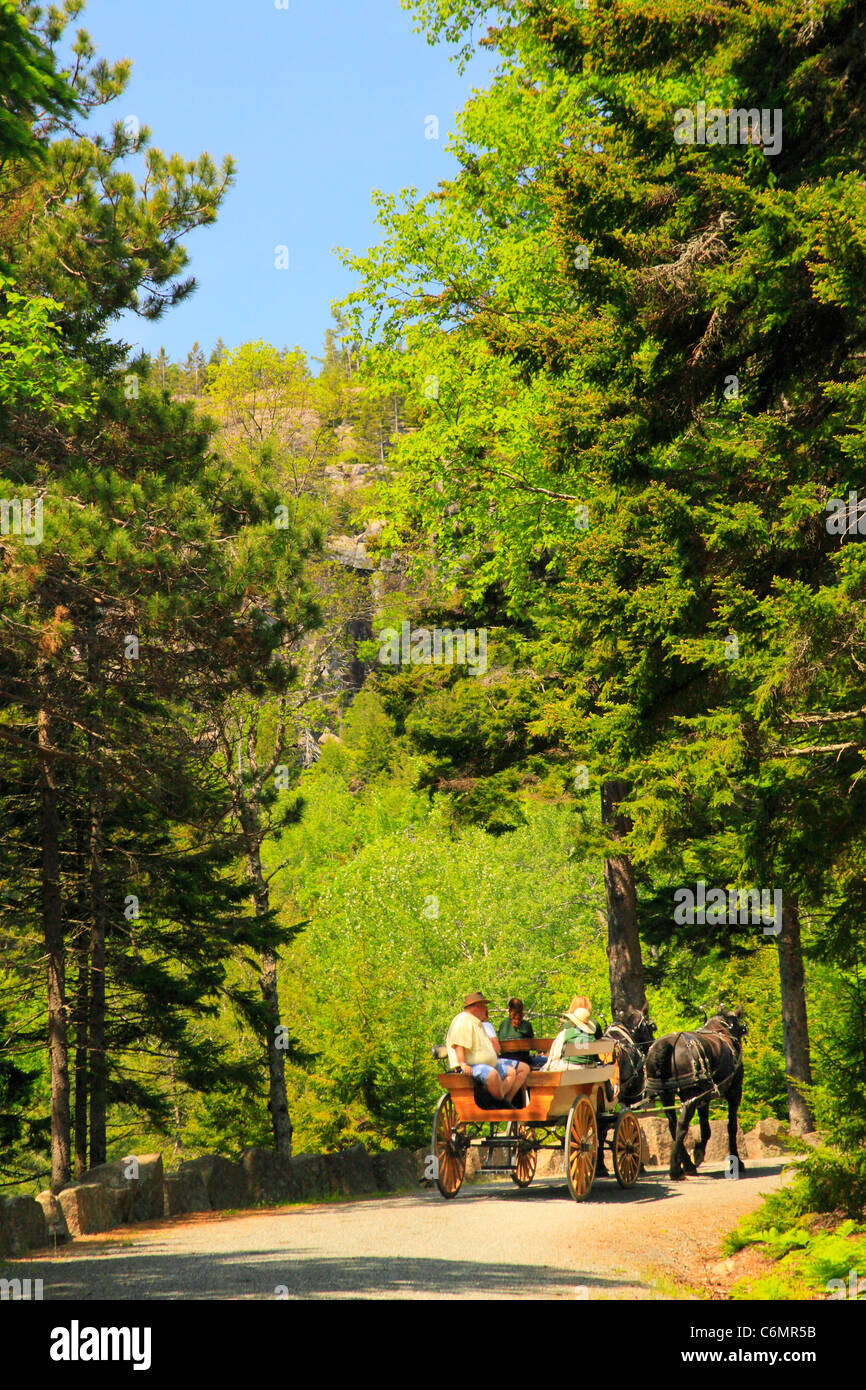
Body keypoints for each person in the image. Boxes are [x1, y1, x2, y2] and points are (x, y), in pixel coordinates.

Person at [446, 991, 530, 1104]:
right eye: (484, 1006)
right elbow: (458, 1043)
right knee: (492, 1074)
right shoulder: (464, 1020)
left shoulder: (475, 1022)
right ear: (478, 1006)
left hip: (488, 1063)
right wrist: (463, 1063)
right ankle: (498, 1102)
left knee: (513, 1071)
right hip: (472, 1066)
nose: (486, 1010)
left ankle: (503, 1101)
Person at [497, 997, 542, 1067]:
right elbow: (532, 1045)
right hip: (523, 1061)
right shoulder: (527, 1025)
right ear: (522, 1009)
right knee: (543, 1060)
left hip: (505, 1061)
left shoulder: (503, 1024)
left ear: (509, 1009)